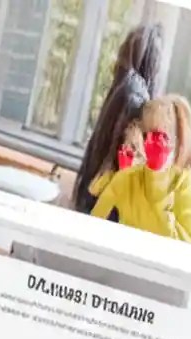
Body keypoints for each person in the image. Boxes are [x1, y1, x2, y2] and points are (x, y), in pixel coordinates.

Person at [90, 94, 191, 246]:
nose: (151, 144)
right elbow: (93, 221)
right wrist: (118, 168)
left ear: (179, 143)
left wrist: (157, 179)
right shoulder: (128, 178)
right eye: (147, 135)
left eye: (161, 137)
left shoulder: (188, 191)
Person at [72, 23, 164, 213]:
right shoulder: (137, 99)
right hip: (108, 206)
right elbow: (122, 167)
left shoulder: (125, 89)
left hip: (94, 198)